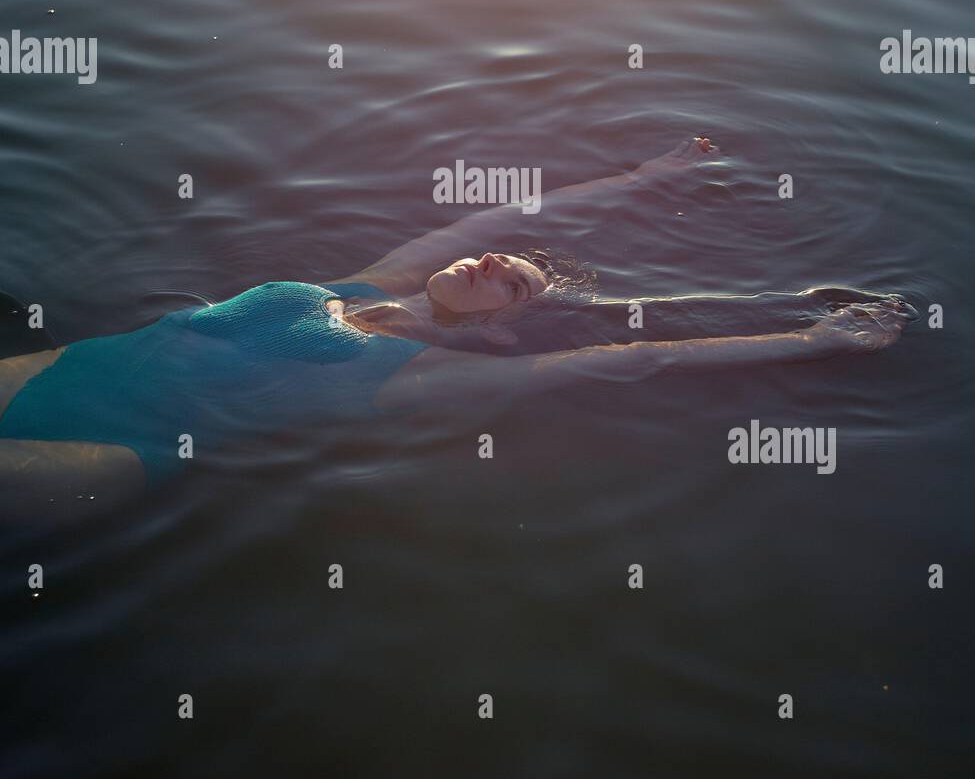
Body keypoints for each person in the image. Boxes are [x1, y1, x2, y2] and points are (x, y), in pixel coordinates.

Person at [0, 137, 908, 514]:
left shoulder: (429, 376)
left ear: (501, 331)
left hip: (117, 446)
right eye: (496, 262)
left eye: (505, 284)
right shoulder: (354, 287)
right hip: (69, 365)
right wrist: (646, 176)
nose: (484, 262)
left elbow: (652, 351)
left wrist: (820, 336)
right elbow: (484, 218)